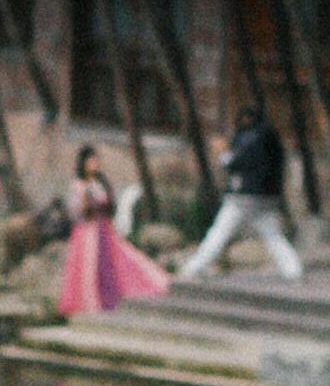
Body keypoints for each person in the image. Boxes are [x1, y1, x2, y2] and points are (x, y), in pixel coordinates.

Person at [176, 105, 305, 283]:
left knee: (219, 232)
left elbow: (234, 163)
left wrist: (221, 152)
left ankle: (193, 268)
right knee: (273, 235)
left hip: (242, 196)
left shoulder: (247, 139)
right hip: (267, 197)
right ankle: (293, 271)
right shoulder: (270, 137)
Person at [57, 144, 166, 318]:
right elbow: (76, 211)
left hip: (103, 228)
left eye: (95, 160)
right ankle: (91, 300)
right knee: (89, 266)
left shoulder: (100, 182)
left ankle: (111, 294)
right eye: (91, 160)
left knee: (115, 260)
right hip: (87, 230)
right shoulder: (78, 184)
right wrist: (87, 200)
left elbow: (108, 204)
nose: (94, 164)